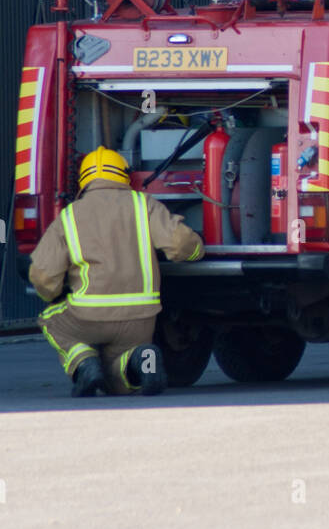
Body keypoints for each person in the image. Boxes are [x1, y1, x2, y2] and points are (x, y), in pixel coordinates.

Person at [28, 146, 204, 396]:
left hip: (87, 316)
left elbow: (43, 275)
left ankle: (83, 362)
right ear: (123, 176)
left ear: (84, 180)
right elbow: (181, 244)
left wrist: (51, 293)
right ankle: (143, 356)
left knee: (51, 321)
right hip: (141, 318)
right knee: (118, 382)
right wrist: (199, 252)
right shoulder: (143, 204)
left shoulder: (69, 215)